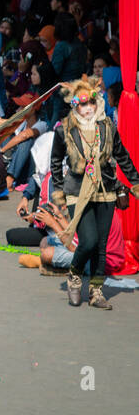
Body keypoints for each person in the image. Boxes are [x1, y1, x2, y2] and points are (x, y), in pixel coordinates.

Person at [51, 76, 139, 309]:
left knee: (101, 245)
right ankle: (75, 275)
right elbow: (55, 161)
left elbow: (122, 156)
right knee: (88, 241)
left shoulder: (107, 127)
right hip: (76, 191)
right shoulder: (64, 130)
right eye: (82, 103)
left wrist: (135, 183)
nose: (88, 108)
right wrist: (58, 191)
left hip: (105, 190)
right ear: (74, 105)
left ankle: (96, 291)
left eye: (91, 102)